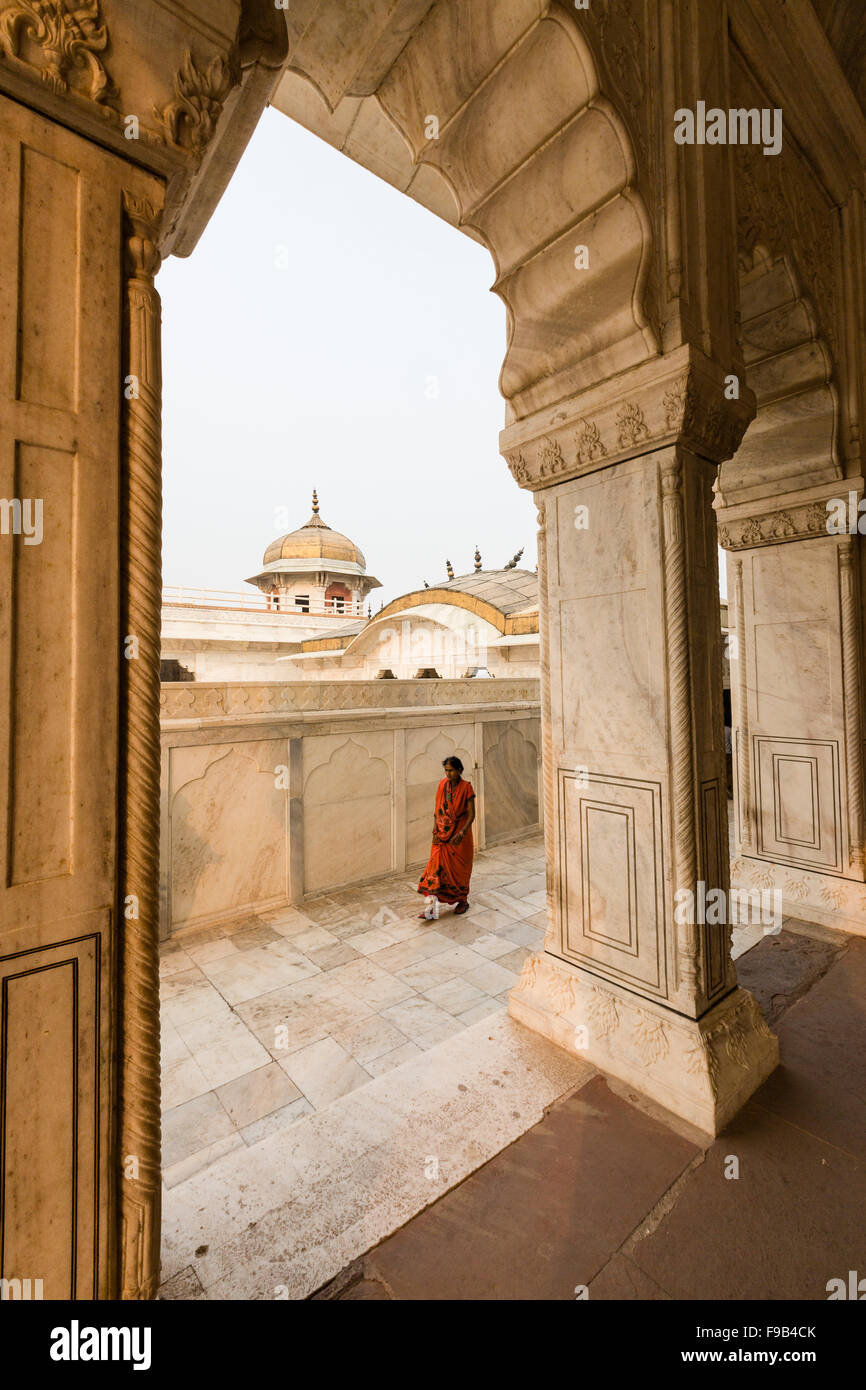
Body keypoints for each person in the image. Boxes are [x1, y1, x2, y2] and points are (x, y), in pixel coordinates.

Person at [417, 756, 476, 916]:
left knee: (459, 871)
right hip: (441, 836)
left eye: (451, 770)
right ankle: (430, 909)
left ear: (459, 770)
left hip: (459, 838)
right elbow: (437, 810)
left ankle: (462, 901)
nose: (448, 774)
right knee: (434, 870)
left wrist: (462, 833)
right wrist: (435, 831)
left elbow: (471, 815)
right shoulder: (442, 785)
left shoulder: (466, 788)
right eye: (446, 771)